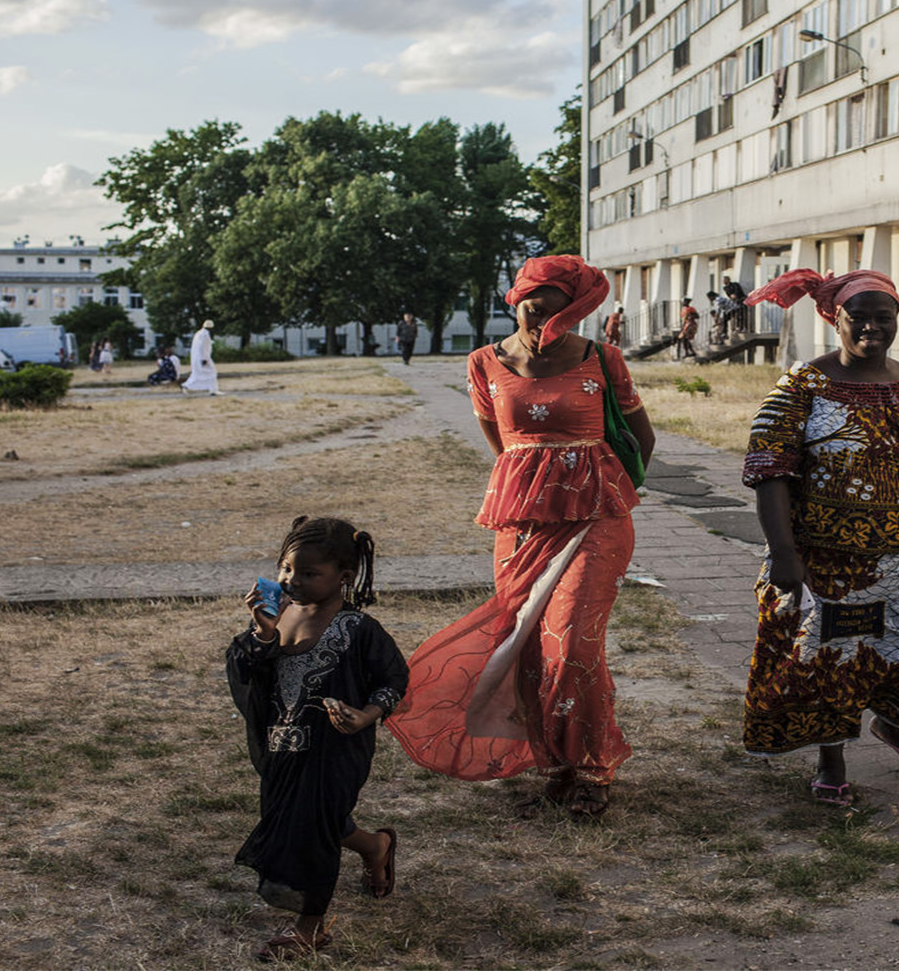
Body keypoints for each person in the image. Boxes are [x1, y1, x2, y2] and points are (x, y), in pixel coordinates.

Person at [387, 255, 655, 820]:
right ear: (517, 303)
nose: (542, 323)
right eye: (532, 308)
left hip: (596, 520)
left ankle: (591, 768)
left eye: (556, 312)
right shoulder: (484, 362)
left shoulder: (600, 358)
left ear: (575, 311)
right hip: (522, 522)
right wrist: (536, 484)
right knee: (529, 641)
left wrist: (602, 486)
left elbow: (640, 435)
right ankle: (555, 764)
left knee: (573, 644)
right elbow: (501, 440)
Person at [739, 269, 899, 807]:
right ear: (835, 318)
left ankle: (892, 723)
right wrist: (784, 554)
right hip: (832, 560)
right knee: (834, 658)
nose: (871, 326)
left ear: (898, 320)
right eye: (858, 317)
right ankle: (832, 758)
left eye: (882, 317)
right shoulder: (805, 385)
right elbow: (768, 471)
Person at [228, 516, 409, 961]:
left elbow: (394, 679)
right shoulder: (279, 615)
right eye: (288, 569)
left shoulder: (359, 630)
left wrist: (366, 715)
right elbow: (246, 672)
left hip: (335, 746)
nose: (294, 580)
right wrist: (262, 633)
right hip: (282, 744)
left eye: (310, 573)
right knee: (299, 817)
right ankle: (376, 845)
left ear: (344, 578)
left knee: (311, 829)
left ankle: (310, 928)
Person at [184, 320, 220, 396]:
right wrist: (204, 359)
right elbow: (204, 347)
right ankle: (187, 385)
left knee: (199, 374)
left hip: (197, 358)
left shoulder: (198, 333)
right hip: (203, 358)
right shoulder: (205, 335)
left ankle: (212, 389)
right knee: (212, 372)